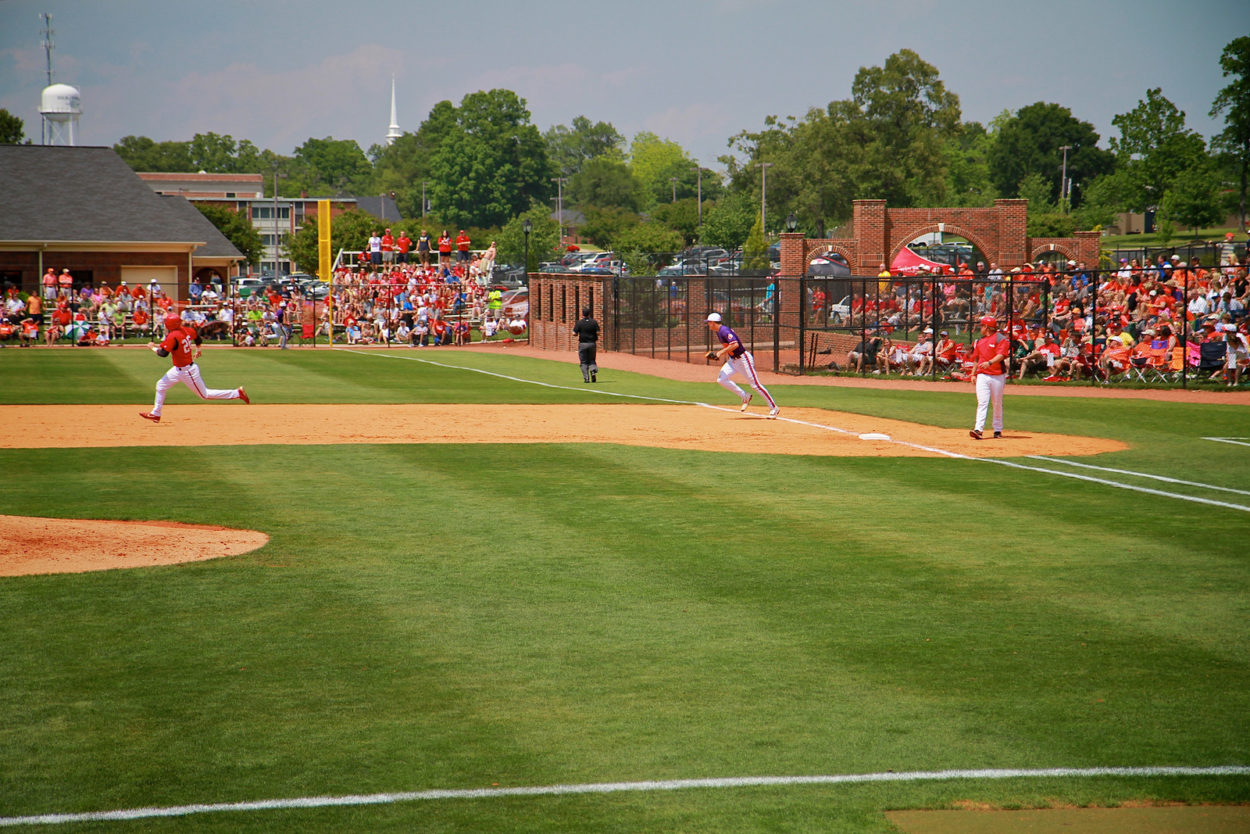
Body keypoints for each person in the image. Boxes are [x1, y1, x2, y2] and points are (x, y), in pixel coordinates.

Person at [139, 316, 249, 423]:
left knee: (204, 395)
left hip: (188, 371)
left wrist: (152, 347)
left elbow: (163, 353)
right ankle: (156, 414)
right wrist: (198, 349)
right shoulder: (187, 330)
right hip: (178, 369)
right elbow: (197, 338)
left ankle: (237, 393)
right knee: (160, 385)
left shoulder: (173, 336)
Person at [705, 312, 778, 417]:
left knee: (755, 385)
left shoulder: (724, 331)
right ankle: (745, 396)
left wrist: (720, 353)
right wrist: (720, 354)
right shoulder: (719, 331)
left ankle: (773, 407)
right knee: (721, 379)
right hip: (733, 361)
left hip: (743, 360)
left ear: (713, 322)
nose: (708, 324)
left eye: (709, 322)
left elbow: (735, 344)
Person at [968, 315, 1009, 440]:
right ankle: (978, 429)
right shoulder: (980, 341)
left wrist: (990, 362)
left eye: (982, 325)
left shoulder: (1000, 339)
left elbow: (1001, 355)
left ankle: (997, 430)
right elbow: (976, 358)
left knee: (997, 403)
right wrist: (973, 373)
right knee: (982, 402)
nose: (980, 328)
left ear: (987, 327)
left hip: (997, 375)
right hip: (982, 375)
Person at [572, 306, 600, 383]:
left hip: (583, 344)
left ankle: (586, 378)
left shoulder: (579, 322)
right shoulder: (594, 322)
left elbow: (574, 333)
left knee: (583, 362)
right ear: (589, 314)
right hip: (592, 344)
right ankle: (593, 370)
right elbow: (598, 332)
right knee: (592, 360)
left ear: (582, 314)